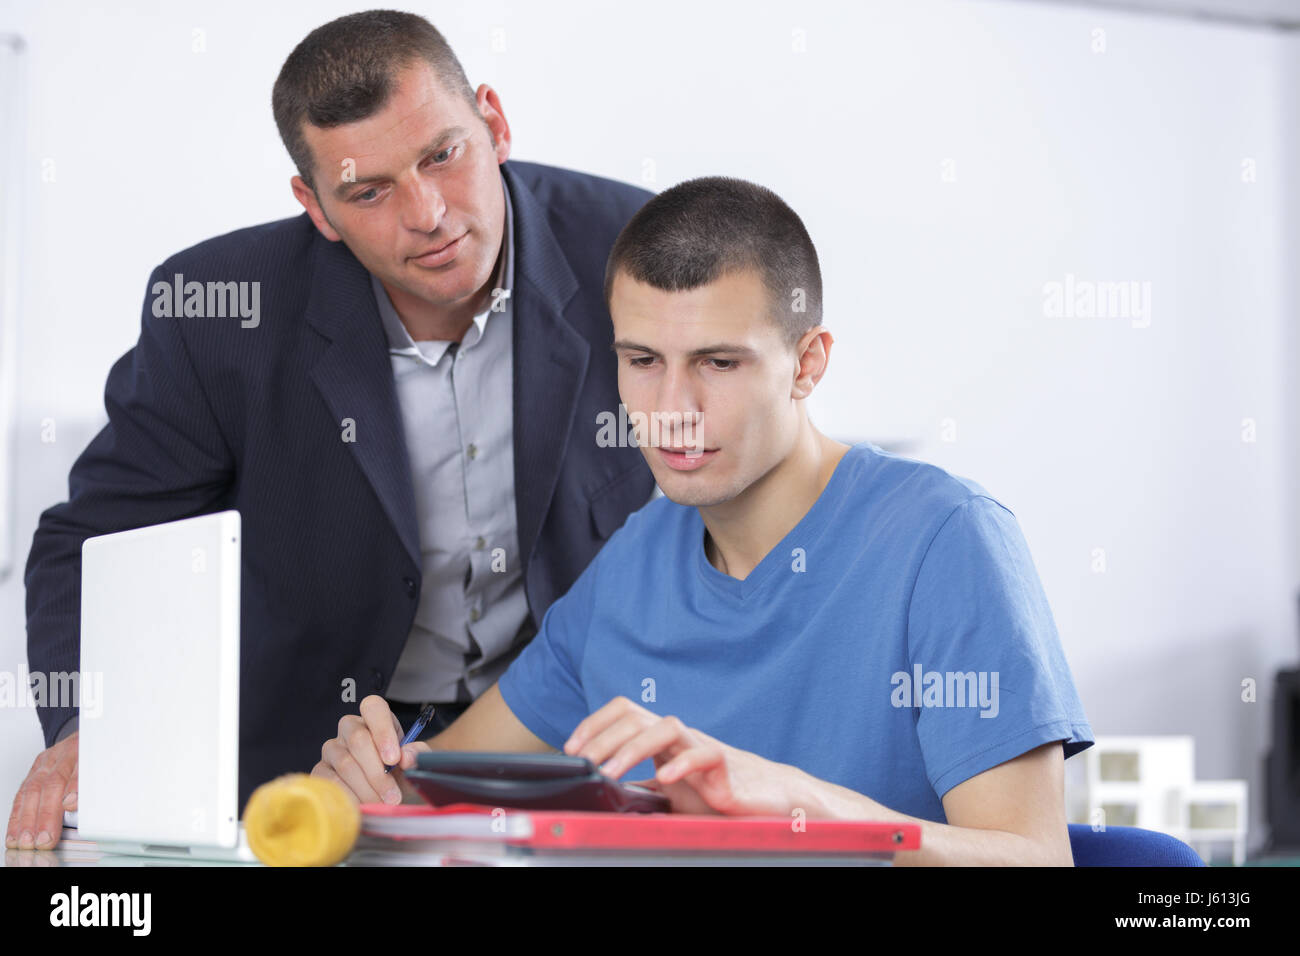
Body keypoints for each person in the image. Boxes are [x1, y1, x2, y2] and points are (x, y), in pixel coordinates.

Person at [7, 10, 654, 852]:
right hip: (311, 778)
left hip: (585, 754)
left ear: (494, 123)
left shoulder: (638, 255)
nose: (427, 213)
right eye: (369, 191)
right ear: (314, 205)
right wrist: (85, 730)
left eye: (442, 155)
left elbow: (735, 503)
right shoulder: (217, 310)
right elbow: (93, 538)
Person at [315, 176, 1096, 865]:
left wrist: (796, 805)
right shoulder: (633, 562)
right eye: (643, 361)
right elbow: (442, 790)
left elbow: (1031, 859)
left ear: (809, 363)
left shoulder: (945, 540)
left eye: (719, 364)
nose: (672, 413)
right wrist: (377, 781)